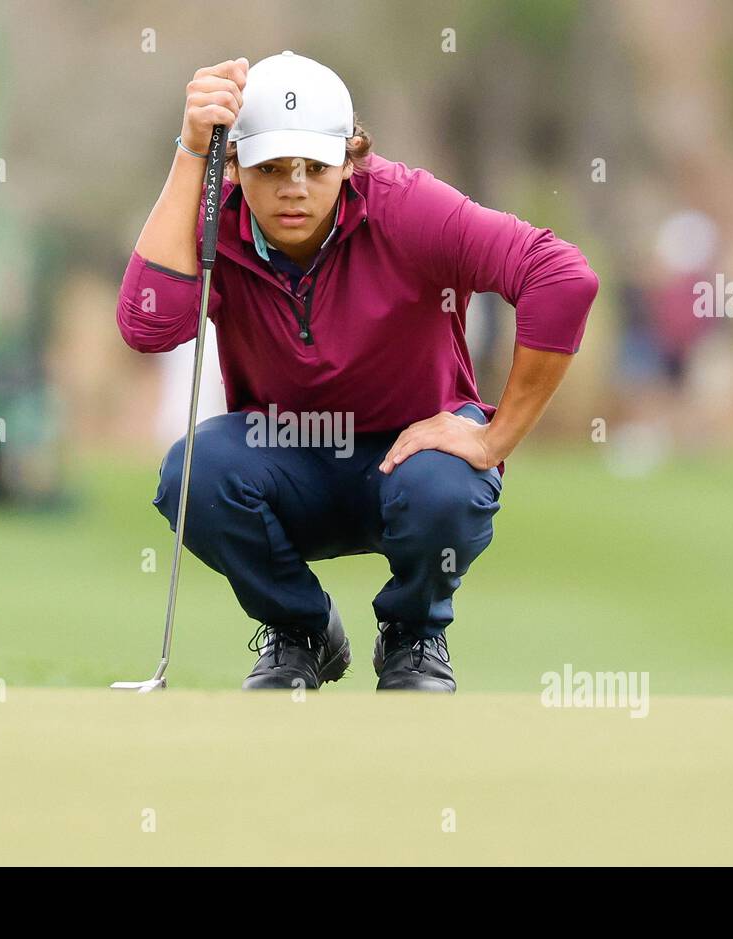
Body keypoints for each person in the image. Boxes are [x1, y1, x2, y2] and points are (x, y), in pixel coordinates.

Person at [116, 52, 599, 692]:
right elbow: (148, 327)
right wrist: (188, 155)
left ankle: (413, 638)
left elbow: (561, 277)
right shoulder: (217, 220)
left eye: (315, 167)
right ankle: (303, 633)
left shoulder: (405, 207)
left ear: (351, 160)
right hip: (286, 454)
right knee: (192, 473)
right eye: (270, 168)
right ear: (232, 167)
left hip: (413, 456)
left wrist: (494, 436)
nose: (294, 187)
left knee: (445, 489)